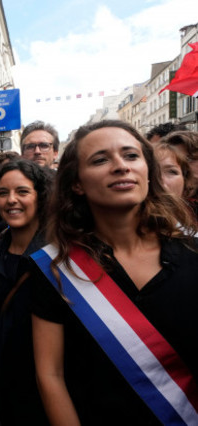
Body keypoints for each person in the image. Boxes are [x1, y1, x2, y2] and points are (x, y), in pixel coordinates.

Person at [31, 120, 198, 425]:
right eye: (101, 159)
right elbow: (50, 375)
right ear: (76, 183)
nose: (121, 166)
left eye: (132, 156)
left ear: (148, 171)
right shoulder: (56, 268)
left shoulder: (193, 254)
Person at [0, 159, 53, 426]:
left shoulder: (58, 256)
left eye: (22, 192)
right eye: (2, 193)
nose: (11, 200)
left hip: (39, 389)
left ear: (41, 196)